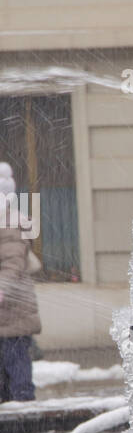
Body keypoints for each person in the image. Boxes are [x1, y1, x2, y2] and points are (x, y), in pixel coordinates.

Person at [0, 162, 41, 401]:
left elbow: (11, 263)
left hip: (12, 312)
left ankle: (23, 416)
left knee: (16, 368)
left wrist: (2, 289)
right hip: (7, 313)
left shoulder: (9, 225)